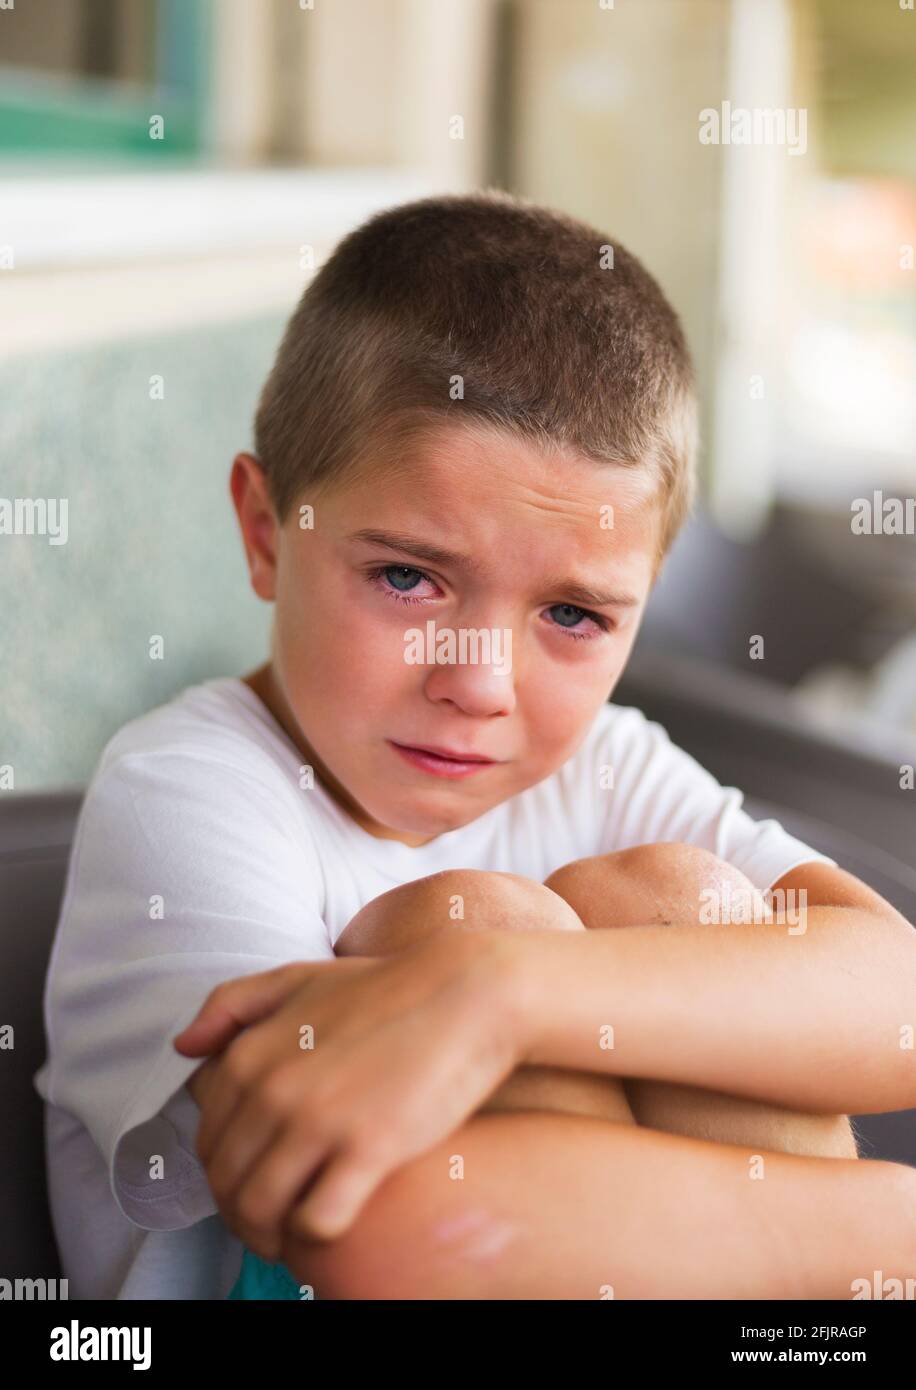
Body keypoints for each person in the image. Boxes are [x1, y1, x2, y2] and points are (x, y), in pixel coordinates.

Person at [35, 191, 916, 1300]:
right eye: (407, 577)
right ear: (267, 532)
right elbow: (400, 1236)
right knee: (467, 910)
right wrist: (889, 1231)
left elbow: (897, 994)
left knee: (674, 900)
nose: (479, 684)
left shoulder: (608, 761)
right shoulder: (189, 790)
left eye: (574, 616)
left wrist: (501, 995)